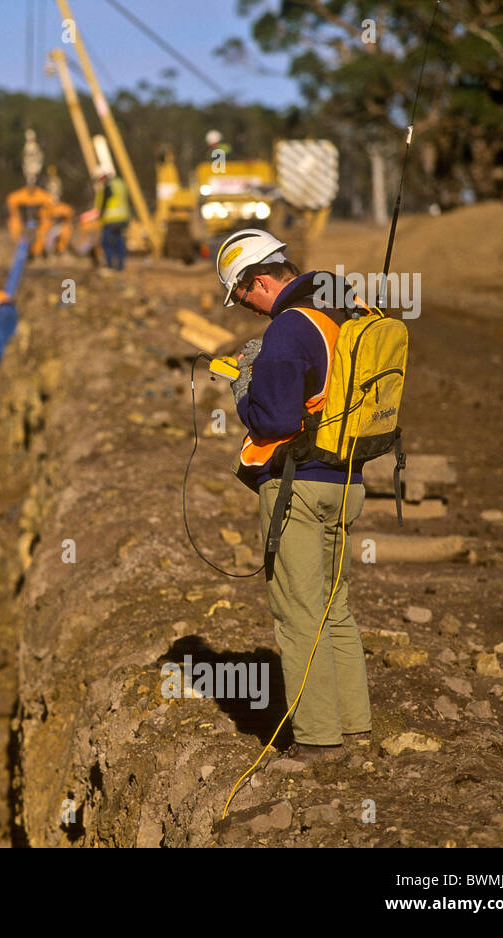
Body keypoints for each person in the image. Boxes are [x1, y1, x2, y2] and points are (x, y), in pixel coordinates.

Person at [216, 228, 370, 766]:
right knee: (334, 607)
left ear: (258, 280)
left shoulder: (287, 330)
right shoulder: (343, 309)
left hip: (297, 486)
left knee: (299, 615)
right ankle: (354, 726)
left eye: (241, 297)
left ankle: (318, 742)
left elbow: (277, 419)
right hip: (346, 480)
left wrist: (244, 390)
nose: (247, 310)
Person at [93, 168, 130, 271]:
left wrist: (100, 215)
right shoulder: (120, 184)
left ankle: (109, 265)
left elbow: (104, 203)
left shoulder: (108, 186)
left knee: (107, 243)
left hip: (110, 219)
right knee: (119, 241)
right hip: (122, 218)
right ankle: (121, 266)